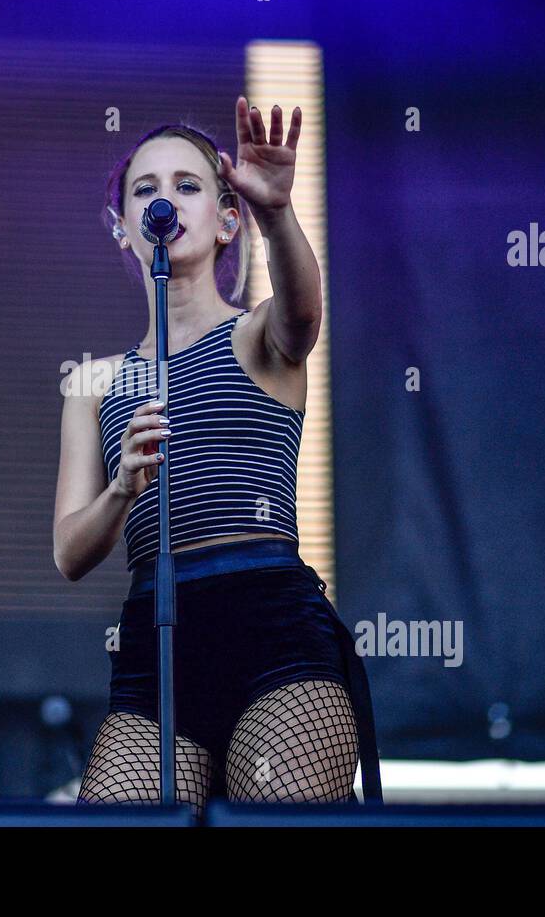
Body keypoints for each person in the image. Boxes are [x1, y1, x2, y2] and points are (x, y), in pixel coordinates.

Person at [53, 96, 381, 816]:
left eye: (187, 185)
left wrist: (277, 211)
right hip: (156, 643)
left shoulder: (256, 335)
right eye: (144, 189)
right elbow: (71, 552)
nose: (163, 199)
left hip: (273, 633)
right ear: (123, 230)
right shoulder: (93, 381)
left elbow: (301, 311)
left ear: (226, 219)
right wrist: (120, 490)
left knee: (274, 809)